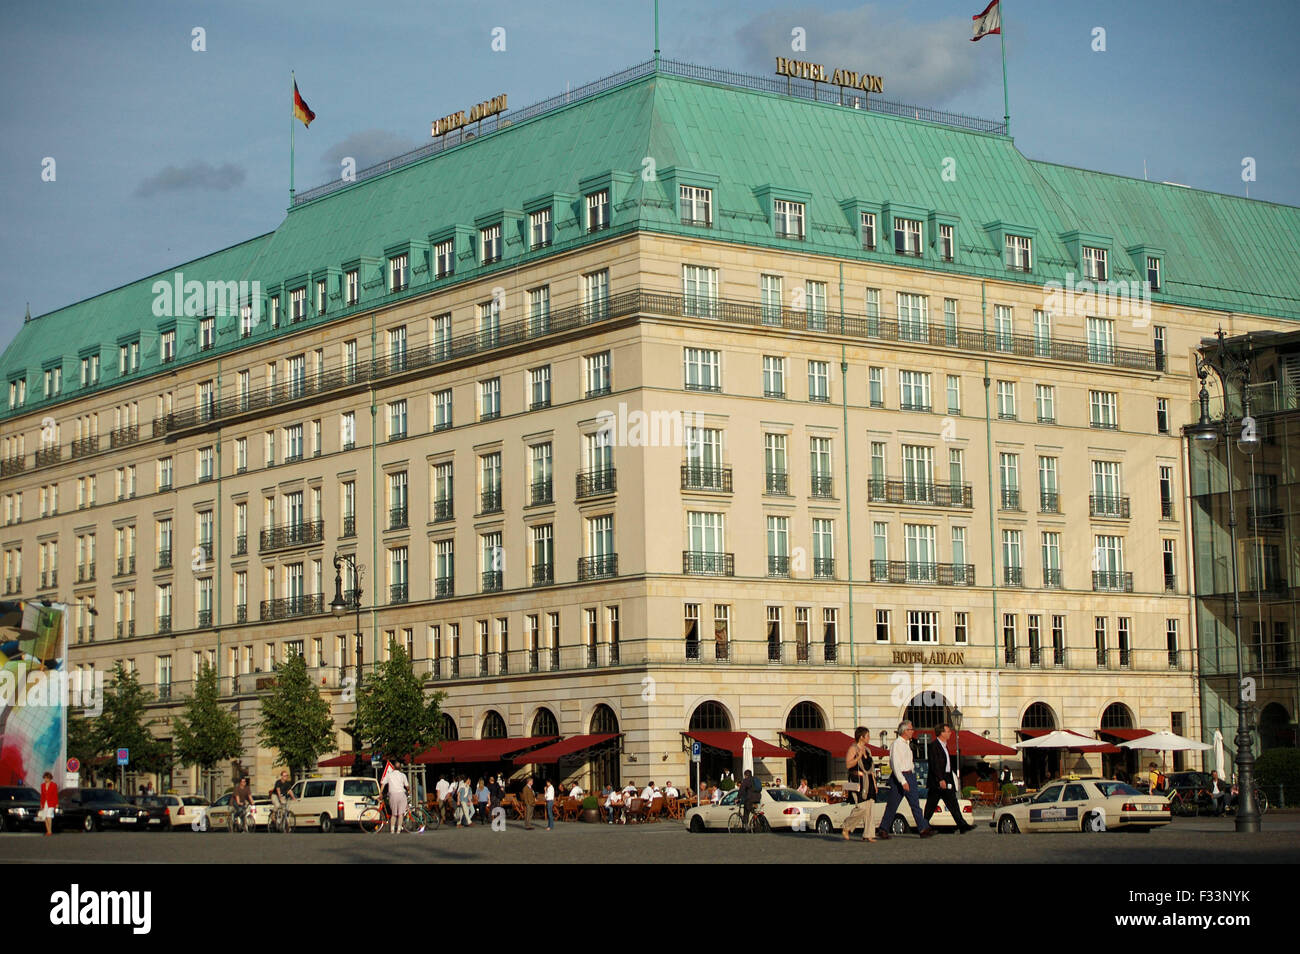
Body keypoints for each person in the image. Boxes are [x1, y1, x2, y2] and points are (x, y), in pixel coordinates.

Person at [877, 721, 934, 839]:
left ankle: (922, 828)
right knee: (893, 805)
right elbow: (895, 764)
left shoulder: (907, 744)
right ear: (904, 731)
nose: (912, 731)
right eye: (910, 729)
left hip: (910, 775)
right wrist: (902, 781)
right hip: (901, 776)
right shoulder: (896, 744)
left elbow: (908, 761)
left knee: (915, 804)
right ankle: (883, 828)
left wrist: (912, 772)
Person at [924, 723, 975, 834]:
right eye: (947, 731)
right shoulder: (934, 746)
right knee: (931, 804)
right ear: (941, 733)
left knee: (953, 802)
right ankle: (923, 825)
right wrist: (940, 779)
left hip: (946, 777)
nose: (950, 733)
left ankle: (962, 825)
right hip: (938, 779)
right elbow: (935, 764)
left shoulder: (944, 745)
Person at [841, 726, 878, 842]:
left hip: (869, 781)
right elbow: (848, 765)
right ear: (861, 737)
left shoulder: (868, 750)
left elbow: (871, 768)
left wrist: (875, 784)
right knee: (861, 807)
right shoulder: (853, 748)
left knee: (870, 808)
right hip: (859, 782)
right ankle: (846, 827)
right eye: (867, 736)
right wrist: (858, 758)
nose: (869, 738)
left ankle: (868, 834)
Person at [383, 764, 411, 833]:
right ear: (400, 768)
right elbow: (407, 786)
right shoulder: (403, 775)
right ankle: (398, 830)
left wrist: (381, 793)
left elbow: (383, 784)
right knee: (401, 814)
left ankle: (392, 830)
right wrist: (409, 791)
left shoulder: (389, 775)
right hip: (401, 794)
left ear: (394, 768)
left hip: (393, 795)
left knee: (393, 814)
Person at [39, 771, 58, 836]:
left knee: (49, 816)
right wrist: (41, 804)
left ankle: (50, 831)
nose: (45, 779)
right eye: (44, 778)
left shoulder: (54, 785)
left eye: (47, 778)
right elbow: (42, 795)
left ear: (50, 778)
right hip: (45, 803)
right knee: (45, 817)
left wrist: (56, 803)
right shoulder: (42, 785)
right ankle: (48, 831)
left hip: (51, 803)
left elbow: (55, 795)